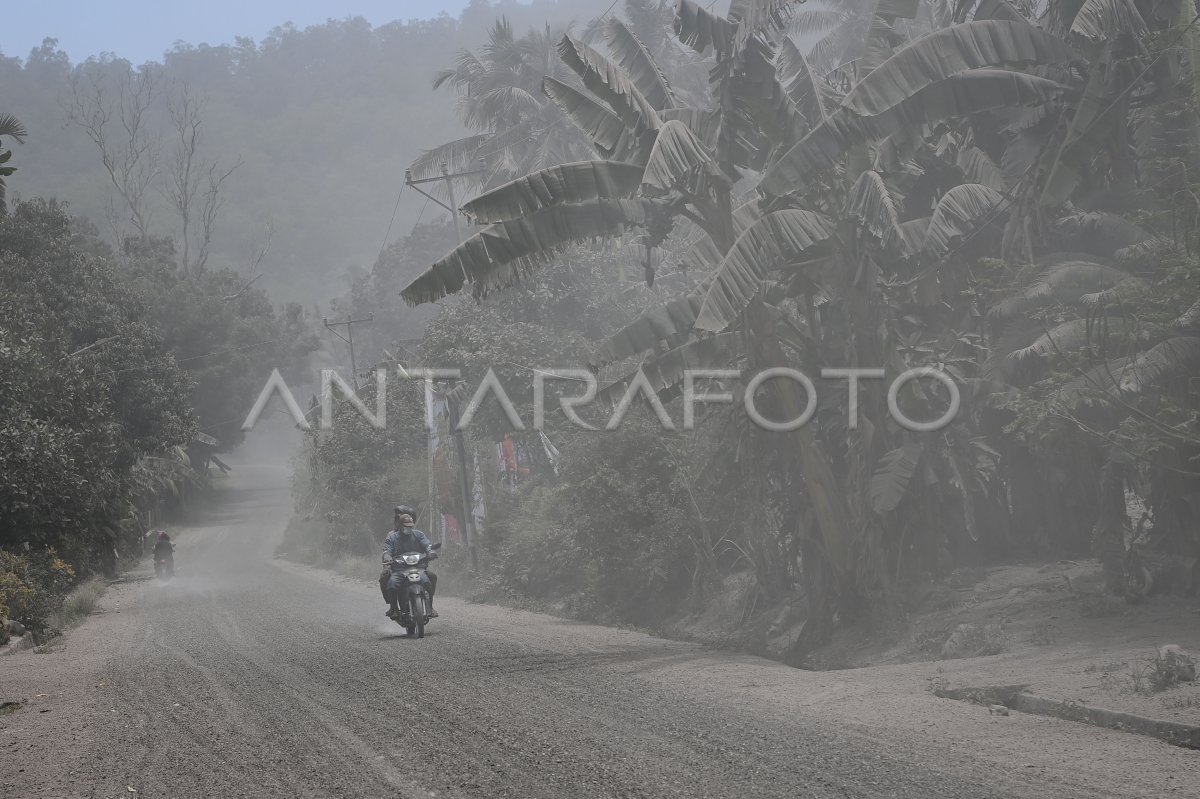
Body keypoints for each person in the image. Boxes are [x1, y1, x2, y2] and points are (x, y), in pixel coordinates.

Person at [379, 505, 438, 619]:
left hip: (418, 568)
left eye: (410, 526)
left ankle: (430, 606)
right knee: (391, 585)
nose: (408, 528)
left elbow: (427, 544)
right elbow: (387, 550)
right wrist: (387, 557)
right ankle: (394, 608)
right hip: (399, 570)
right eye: (406, 526)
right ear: (400, 525)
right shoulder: (392, 537)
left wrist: (430, 552)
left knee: (428, 581)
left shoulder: (419, 534)